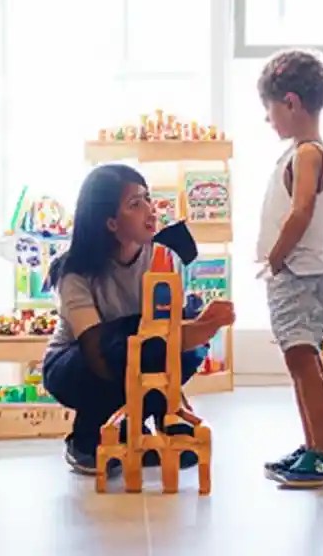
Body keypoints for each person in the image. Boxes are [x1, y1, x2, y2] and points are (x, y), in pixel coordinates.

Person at [42, 163, 236, 475]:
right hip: (78, 365)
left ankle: (146, 426)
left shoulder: (162, 256)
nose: (150, 209)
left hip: (137, 352)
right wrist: (146, 401)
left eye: (148, 198)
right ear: (110, 223)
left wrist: (201, 328)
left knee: (180, 348)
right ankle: (93, 434)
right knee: (133, 336)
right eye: (135, 204)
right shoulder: (74, 271)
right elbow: (96, 352)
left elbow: (167, 334)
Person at [255, 49, 323, 488]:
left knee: (304, 360)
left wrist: (276, 256)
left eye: (269, 110)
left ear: (290, 102)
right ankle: (314, 447)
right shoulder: (299, 151)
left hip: (300, 274)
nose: (268, 119)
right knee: (299, 359)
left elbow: (301, 210)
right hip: (296, 274)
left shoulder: (307, 153)